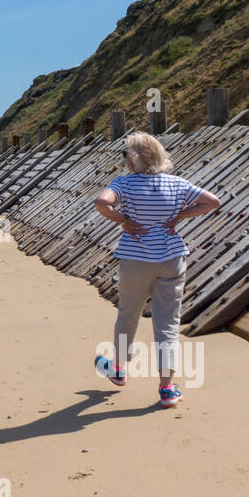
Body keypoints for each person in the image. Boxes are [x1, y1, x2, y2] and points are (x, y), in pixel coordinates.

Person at [92, 132, 220, 408]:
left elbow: (102, 202)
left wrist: (123, 221)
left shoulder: (123, 183)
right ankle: (167, 389)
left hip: (136, 259)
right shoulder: (176, 184)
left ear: (132, 159)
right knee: (167, 324)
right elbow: (212, 202)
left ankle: (118, 369)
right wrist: (179, 216)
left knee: (128, 315)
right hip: (171, 258)